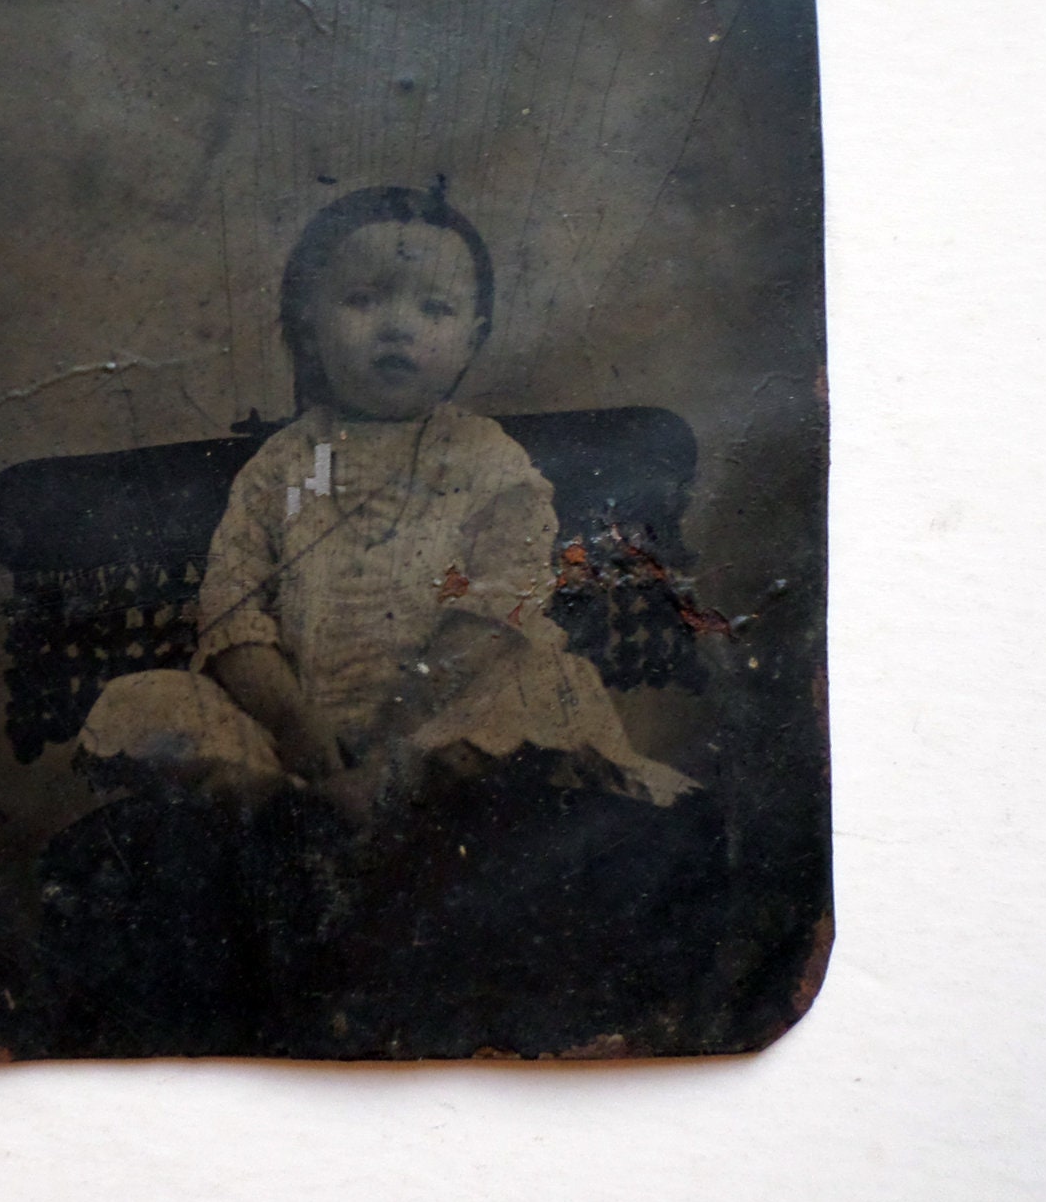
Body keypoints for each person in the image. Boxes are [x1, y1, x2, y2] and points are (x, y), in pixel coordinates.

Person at [76, 184, 697, 818]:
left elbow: (499, 604)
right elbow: (233, 611)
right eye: (363, 300)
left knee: (545, 684)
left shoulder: (487, 459)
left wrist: (402, 728)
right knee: (146, 703)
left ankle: (380, 792)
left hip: (439, 720)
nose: (398, 325)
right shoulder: (288, 465)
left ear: (472, 338)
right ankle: (294, 808)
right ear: (310, 325)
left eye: (434, 308)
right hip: (296, 735)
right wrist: (293, 724)